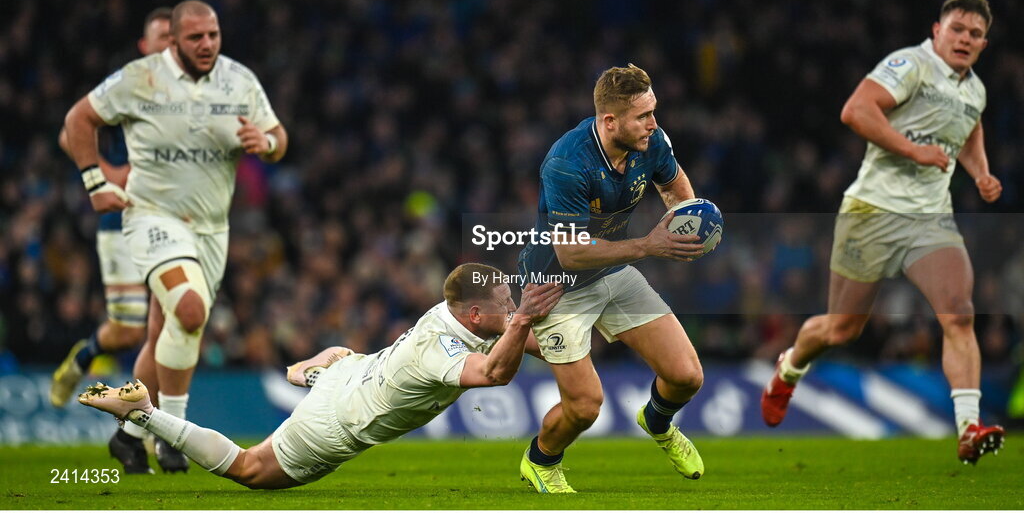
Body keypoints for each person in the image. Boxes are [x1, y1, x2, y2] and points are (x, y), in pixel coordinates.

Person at [760, 0, 1005, 464]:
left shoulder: (975, 89)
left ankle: (968, 429)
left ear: (984, 44)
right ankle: (788, 370)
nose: (965, 38)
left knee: (958, 313)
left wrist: (981, 173)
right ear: (937, 30)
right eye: (957, 28)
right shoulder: (910, 65)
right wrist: (914, 151)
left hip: (931, 218)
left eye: (974, 34)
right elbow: (856, 110)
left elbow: (970, 130)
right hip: (872, 212)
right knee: (840, 330)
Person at [79, 265, 563, 489]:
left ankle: (308, 369)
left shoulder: (457, 315)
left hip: (349, 369)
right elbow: (497, 372)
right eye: (505, 302)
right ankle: (143, 413)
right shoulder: (439, 347)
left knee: (336, 358)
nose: (513, 307)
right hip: (337, 423)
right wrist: (522, 322)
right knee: (249, 470)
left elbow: (525, 340)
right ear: (476, 314)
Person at [63, 0, 288, 474]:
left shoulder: (239, 79)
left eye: (213, 35)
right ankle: (173, 435)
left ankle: (132, 433)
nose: (206, 44)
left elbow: (278, 136)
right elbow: (77, 121)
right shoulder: (139, 78)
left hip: (211, 229)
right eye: (195, 37)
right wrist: (96, 183)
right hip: (153, 218)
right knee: (189, 310)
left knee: (169, 330)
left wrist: (265, 144)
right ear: (176, 40)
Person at [516, 64, 709, 493]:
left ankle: (657, 422)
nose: (653, 124)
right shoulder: (567, 163)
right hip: (555, 288)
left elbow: (676, 187)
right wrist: (649, 245)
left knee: (686, 376)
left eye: (653, 111)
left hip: (613, 271)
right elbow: (570, 252)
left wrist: (689, 223)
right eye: (643, 116)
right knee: (585, 407)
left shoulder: (651, 141)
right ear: (610, 121)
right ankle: (541, 460)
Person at [50, 7, 172, 474]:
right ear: (145, 46)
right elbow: (70, 130)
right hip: (122, 219)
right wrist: (102, 174)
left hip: (170, 222)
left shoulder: (192, 94)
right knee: (127, 329)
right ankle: (82, 358)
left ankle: (145, 433)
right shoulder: (130, 84)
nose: (167, 44)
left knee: (169, 329)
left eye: (172, 37)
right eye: (159, 36)